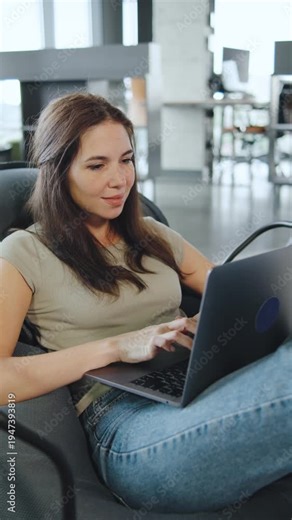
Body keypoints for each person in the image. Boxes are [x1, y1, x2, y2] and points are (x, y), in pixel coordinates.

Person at [0, 92, 291, 514]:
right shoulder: (23, 252)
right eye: (97, 165)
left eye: (127, 159)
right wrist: (118, 345)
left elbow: (235, 293)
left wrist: (208, 324)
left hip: (197, 380)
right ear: (57, 171)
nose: (119, 179)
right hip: (125, 424)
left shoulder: (151, 233)